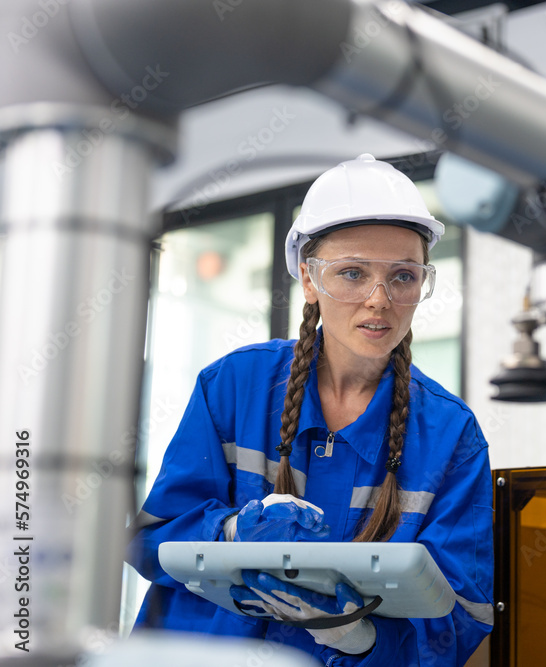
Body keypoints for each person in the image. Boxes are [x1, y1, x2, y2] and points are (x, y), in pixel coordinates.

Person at [127, 154, 494, 666]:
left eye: (404, 277)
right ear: (308, 277)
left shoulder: (451, 435)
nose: (379, 300)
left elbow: (465, 617)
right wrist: (236, 533)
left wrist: (362, 641)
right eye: (351, 273)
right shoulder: (235, 386)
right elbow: (152, 542)